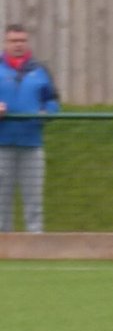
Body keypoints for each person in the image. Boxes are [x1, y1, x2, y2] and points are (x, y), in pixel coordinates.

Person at [0, 23, 61, 233]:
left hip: (32, 145)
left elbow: (53, 101)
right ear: (5, 42)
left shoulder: (41, 70)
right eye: (13, 41)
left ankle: (35, 246)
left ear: (27, 42)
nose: (18, 45)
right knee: (1, 203)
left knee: (34, 200)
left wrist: (47, 113)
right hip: (2, 146)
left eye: (22, 41)